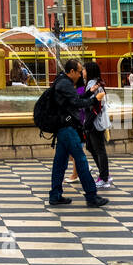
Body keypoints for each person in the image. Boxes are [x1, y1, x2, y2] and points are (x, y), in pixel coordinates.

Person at [48, 59, 108, 208]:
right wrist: (95, 99)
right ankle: (91, 196)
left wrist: (89, 92)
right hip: (67, 128)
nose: (81, 74)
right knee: (81, 160)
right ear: (72, 72)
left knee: (60, 162)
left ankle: (55, 195)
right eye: (79, 71)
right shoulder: (65, 84)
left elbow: (74, 99)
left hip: (62, 127)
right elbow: (76, 103)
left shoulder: (61, 81)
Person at [75, 61, 111, 189]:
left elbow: (91, 102)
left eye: (83, 70)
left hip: (94, 121)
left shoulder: (91, 83)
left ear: (88, 71)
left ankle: (104, 177)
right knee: (91, 146)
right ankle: (104, 172)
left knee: (99, 149)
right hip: (94, 120)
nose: (82, 72)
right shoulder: (96, 82)